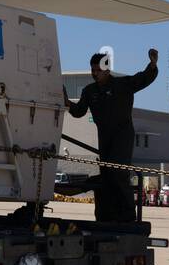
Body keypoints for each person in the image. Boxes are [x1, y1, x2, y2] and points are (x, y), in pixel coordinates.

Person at [65, 49, 159, 222]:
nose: (94, 74)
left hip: (122, 137)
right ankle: (104, 216)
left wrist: (152, 65)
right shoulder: (89, 91)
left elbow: (143, 78)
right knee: (106, 176)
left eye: (98, 71)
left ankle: (128, 217)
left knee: (118, 174)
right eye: (92, 70)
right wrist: (67, 103)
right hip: (105, 138)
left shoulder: (122, 85)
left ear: (107, 70)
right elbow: (79, 111)